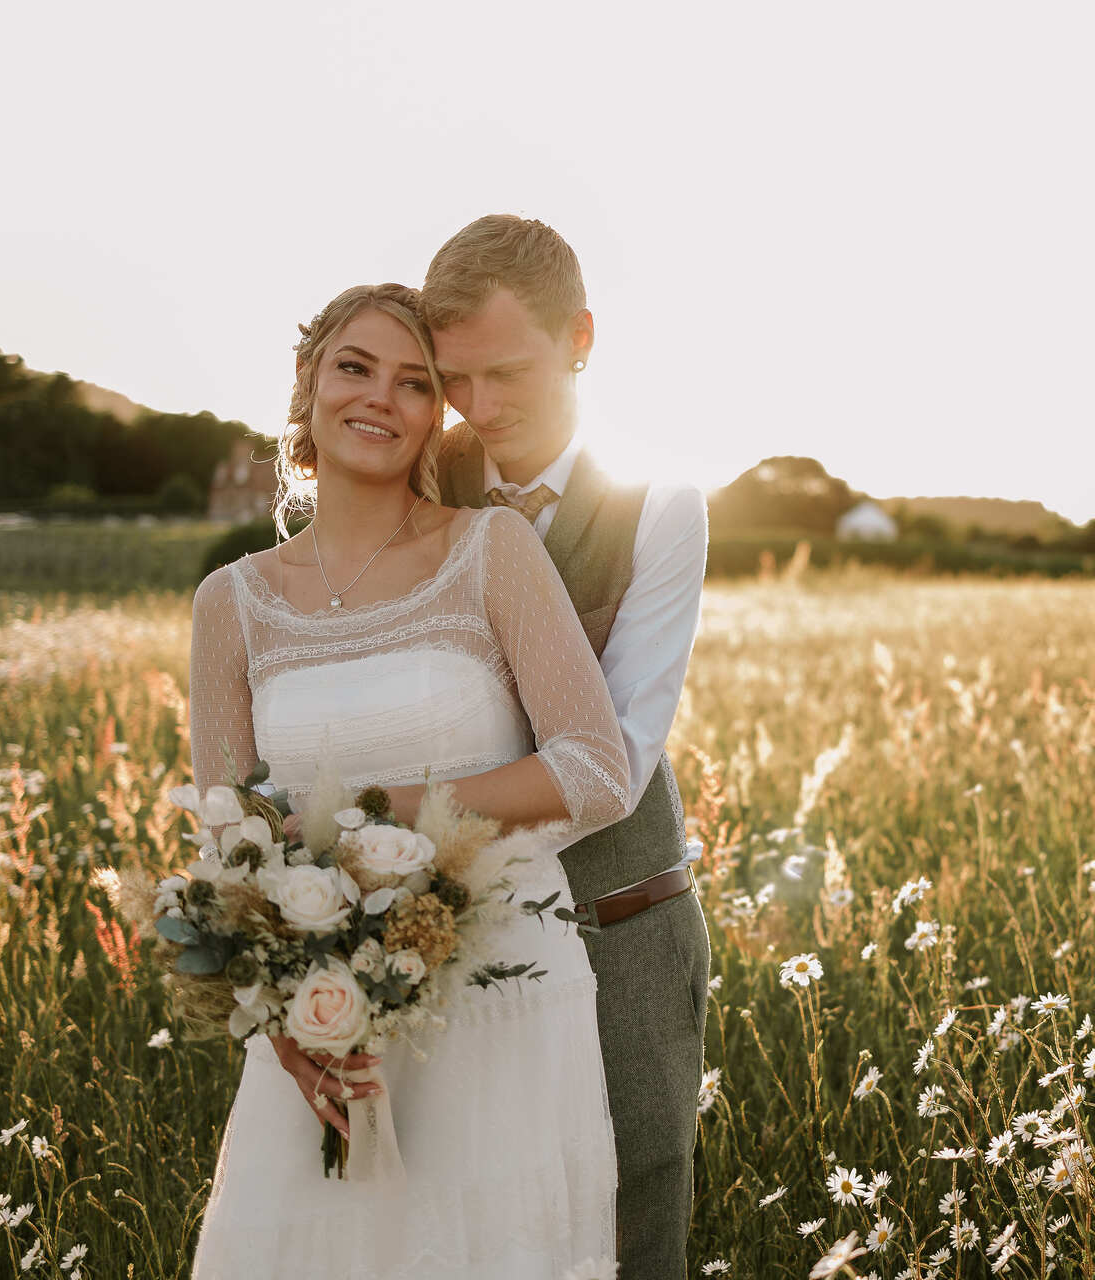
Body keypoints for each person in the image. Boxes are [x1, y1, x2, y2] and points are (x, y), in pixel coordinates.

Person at [187, 282, 627, 1277]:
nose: (380, 397)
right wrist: (297, 1022)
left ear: (437, 414)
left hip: (495, 991)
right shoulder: (233, 602)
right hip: (322, 1006)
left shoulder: (490, 552)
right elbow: (227, 836)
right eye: (355, 366)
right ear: (308, 382)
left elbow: (596, 769)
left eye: (415, 382)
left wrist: (373, 809)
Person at [421, 215, 711, 1280]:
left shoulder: (658, 510)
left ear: (580, 336)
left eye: (508, 372)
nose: (481, 409)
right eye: (456, 379)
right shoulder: (418, 479)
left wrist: (405, 806)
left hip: (622, 927)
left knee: (633, 1230)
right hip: (442, 937)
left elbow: (618, 762)